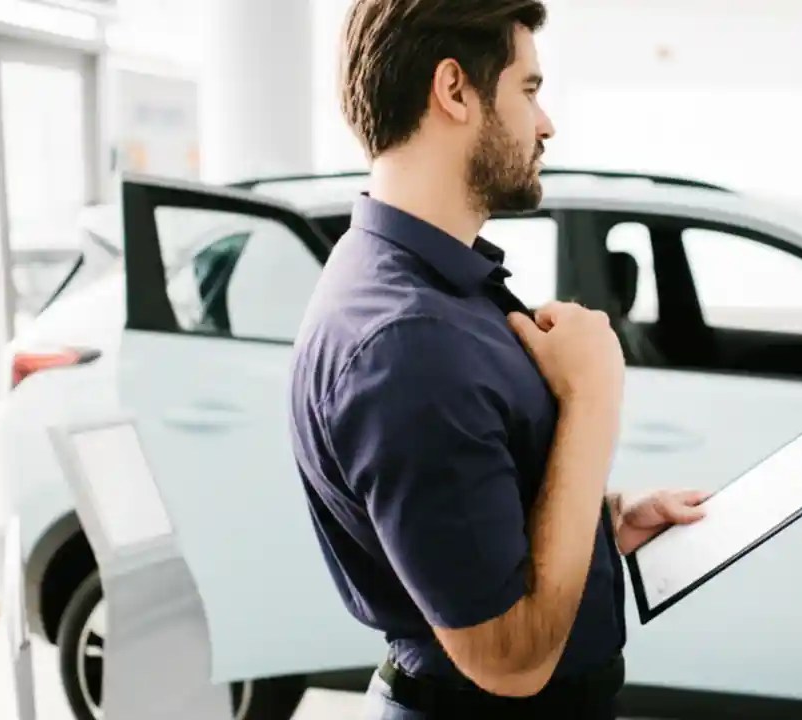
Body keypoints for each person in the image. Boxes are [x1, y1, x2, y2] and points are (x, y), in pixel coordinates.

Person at [286, 1, 709, 717]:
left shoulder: (426, 292)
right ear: (454, 90)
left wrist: (604, 522)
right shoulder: (406, 342)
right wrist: (593, 396)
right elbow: (510, 662)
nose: (546, 125)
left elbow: (468, 539)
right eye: (530, 91)